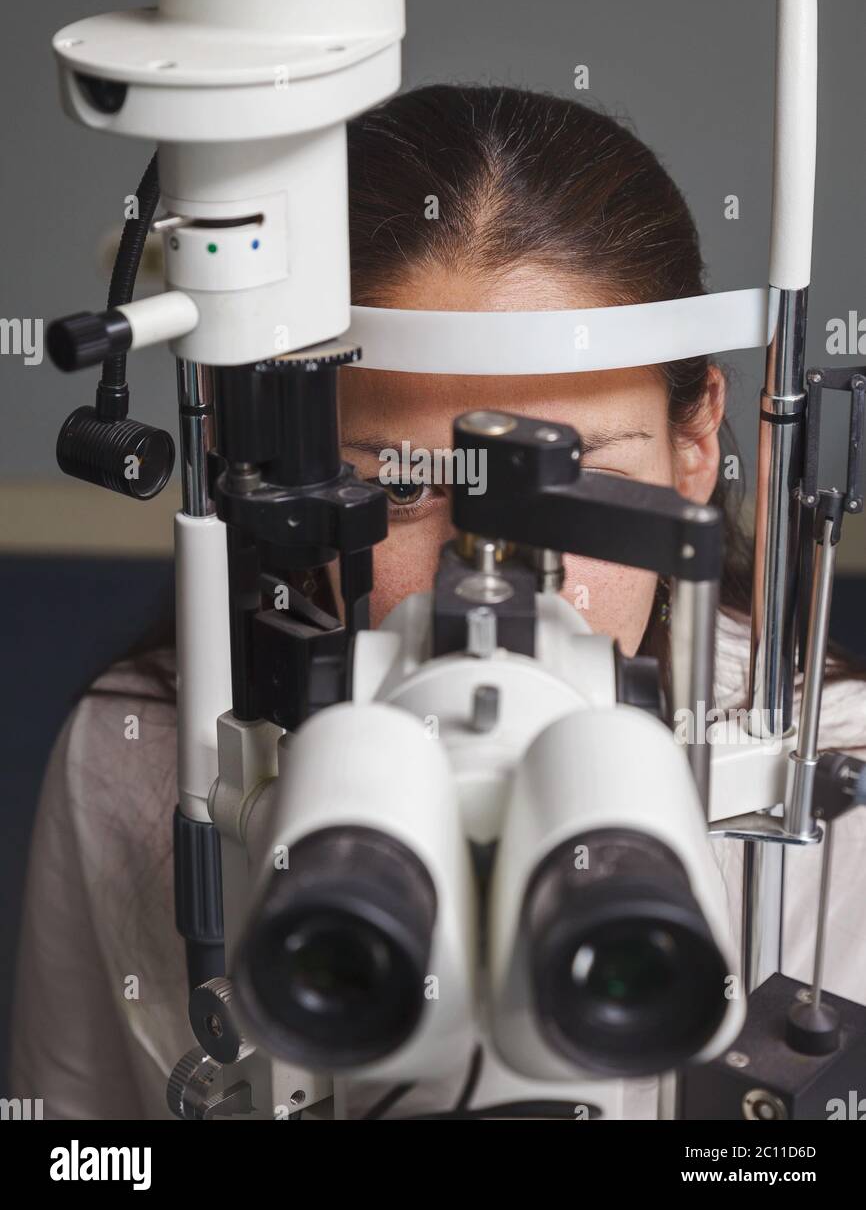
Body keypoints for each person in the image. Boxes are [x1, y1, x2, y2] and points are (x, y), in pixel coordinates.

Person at [11, 86, 866, 1120]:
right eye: (401, 483)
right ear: (293, 486)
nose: (487, 574)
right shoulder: (145, 752)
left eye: (565, 477)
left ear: (693, 448)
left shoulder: (830, 782)